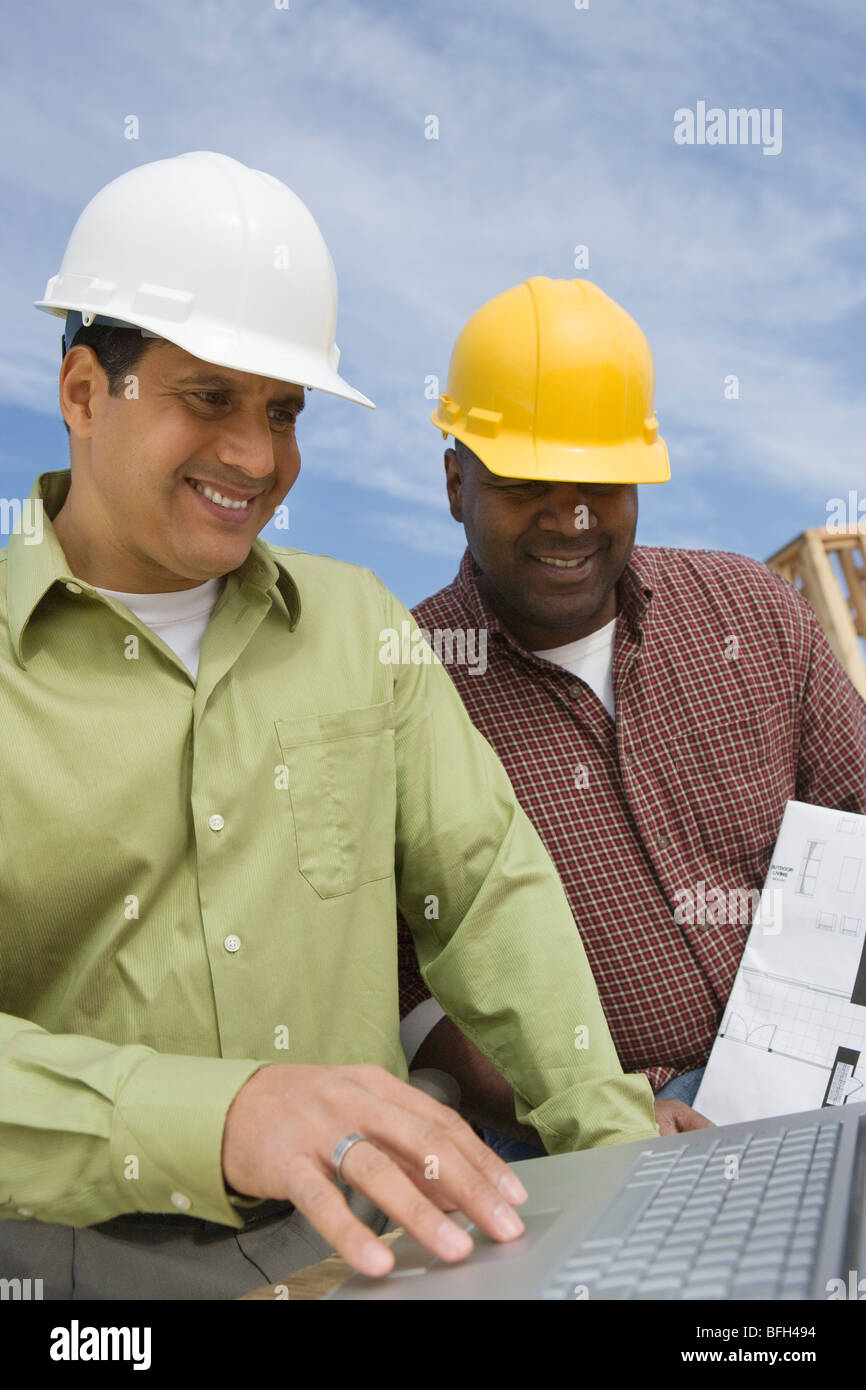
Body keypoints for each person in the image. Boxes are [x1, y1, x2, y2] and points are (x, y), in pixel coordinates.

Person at [0, 158, 659, 1300]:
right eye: (210, 395)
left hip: (371, 1238)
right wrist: (220, 1112)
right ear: (82, 392)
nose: (258, 458)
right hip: (78, 1269)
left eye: (282, 410)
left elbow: (487, 887)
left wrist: (622, 1160)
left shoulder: (359, 626)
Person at [398, 276, 866, 1158]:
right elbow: (404, 994)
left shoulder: (749, 613)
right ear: (456, 480)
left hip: (822, 1072)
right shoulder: (406, 684)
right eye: (527, 478)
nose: (570, 516)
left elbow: (858, 817)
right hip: (585, 1137)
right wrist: (597, 1111)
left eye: (600, 480)